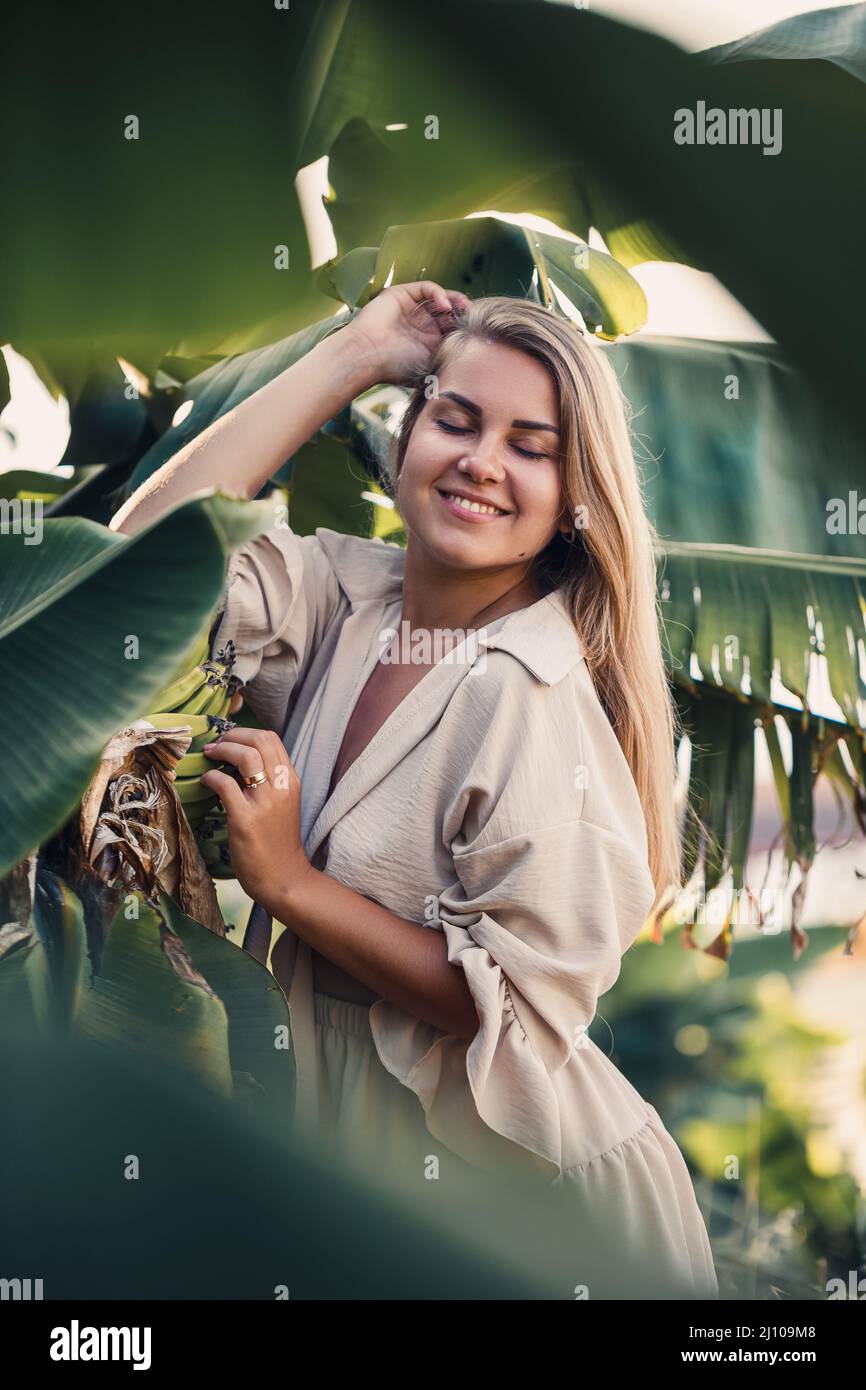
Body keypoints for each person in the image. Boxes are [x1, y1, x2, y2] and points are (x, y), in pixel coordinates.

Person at [110, 281, 719, 1299]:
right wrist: (352, 354)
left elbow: (514, 1019)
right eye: (456, 418)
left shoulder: (530, 696)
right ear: (407, 439)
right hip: (340, 1129)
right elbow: (137, 563)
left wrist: (292, 883)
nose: (481, 460)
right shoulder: (344, 598)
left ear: (575, 495)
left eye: (531, 444)